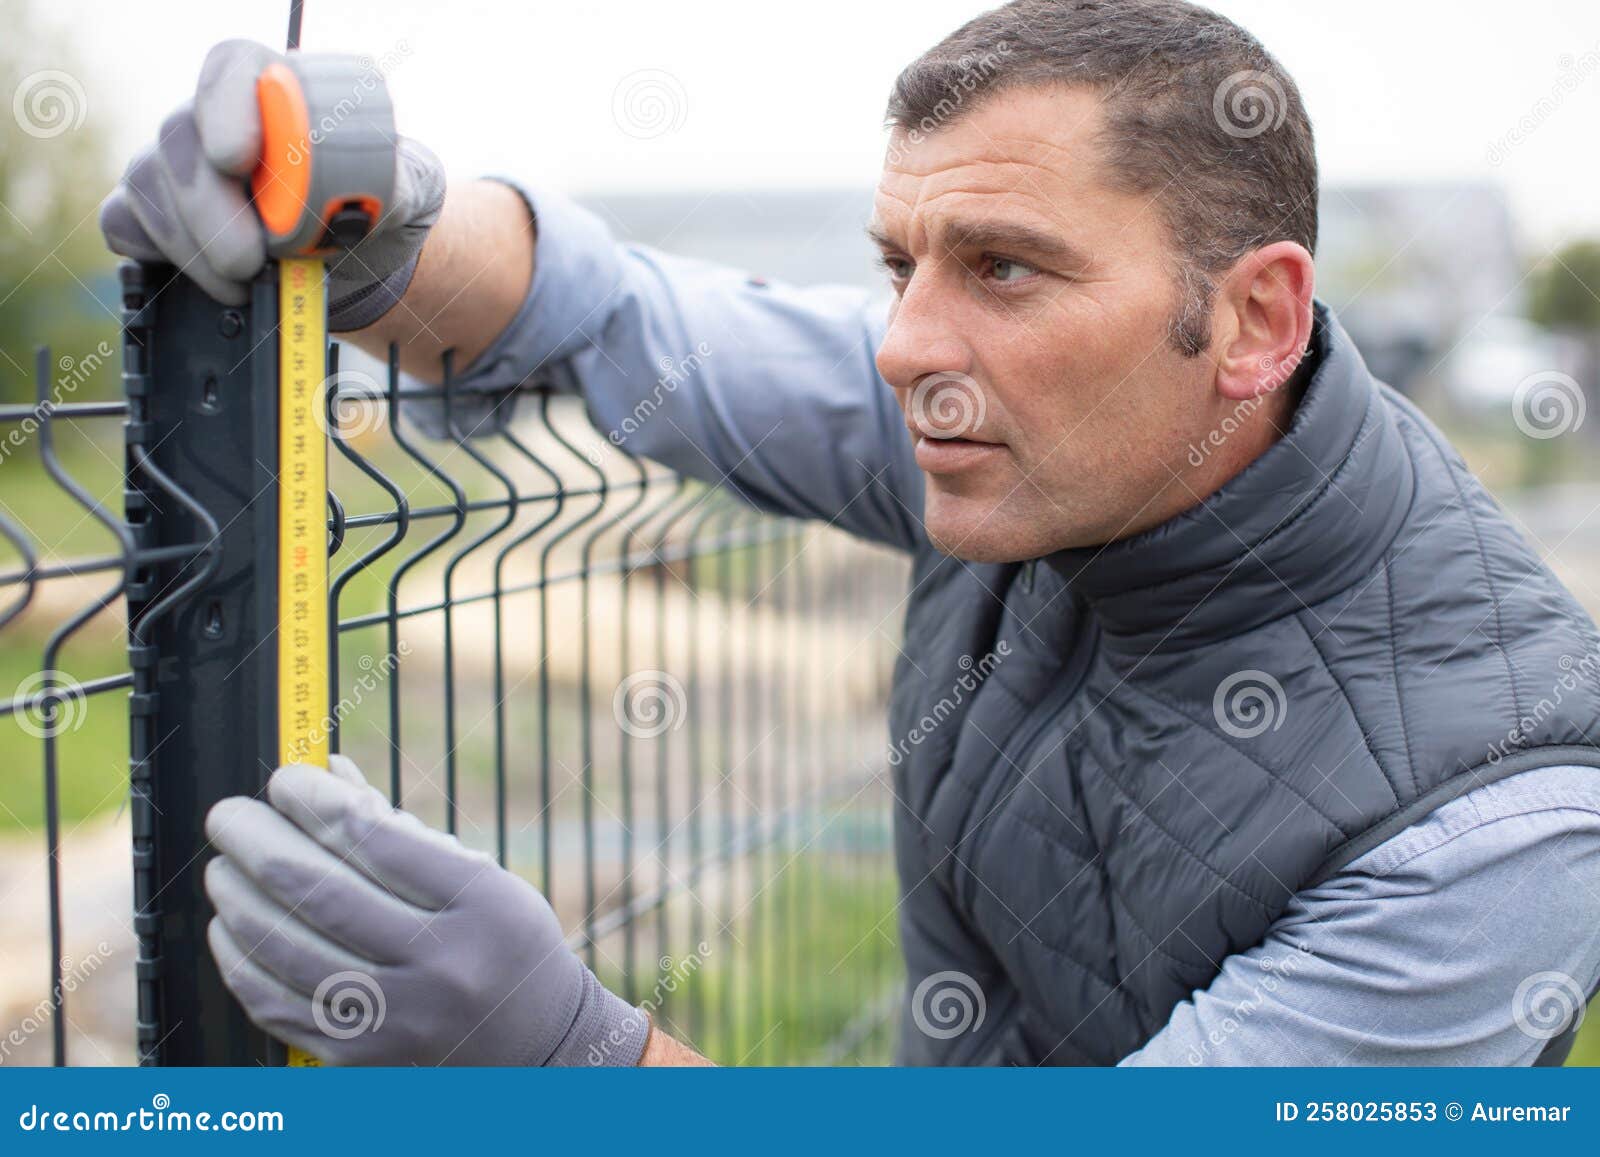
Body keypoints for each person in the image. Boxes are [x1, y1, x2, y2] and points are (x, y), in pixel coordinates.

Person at [102, 0, 1600, 1067]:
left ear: (1254, 318)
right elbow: (609, 316)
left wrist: (563, 1060)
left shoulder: (1493, 832)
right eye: (900, 263)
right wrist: (375, 206)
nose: (902, 346)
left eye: (1005, 267)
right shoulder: (1039, 443)